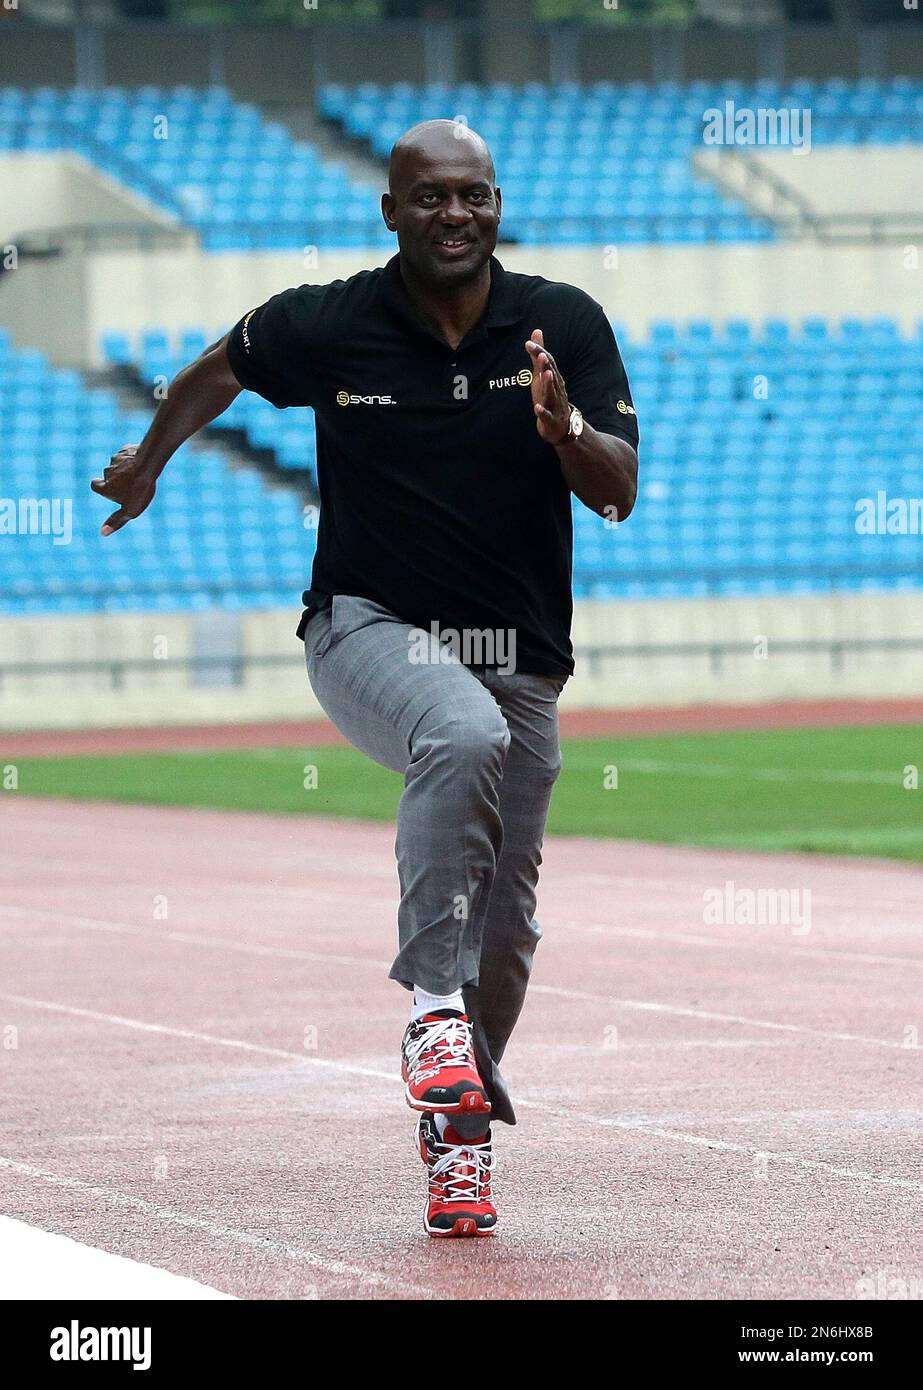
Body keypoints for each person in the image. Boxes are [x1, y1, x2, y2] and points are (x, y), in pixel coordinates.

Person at [92, 119, 639, 1238]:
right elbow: (216, 369)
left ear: (496, 205)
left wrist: (563, 426)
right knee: (459, 733)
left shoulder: (563, 325)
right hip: (364, 626)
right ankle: (431, 1015)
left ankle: (457, 1146)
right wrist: (148, 463)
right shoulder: (329, 321)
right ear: (390, 210)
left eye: (473, 195)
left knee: (510, 923)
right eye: (429, 197)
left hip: (518, 655)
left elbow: (617, 487)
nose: (454, 214)